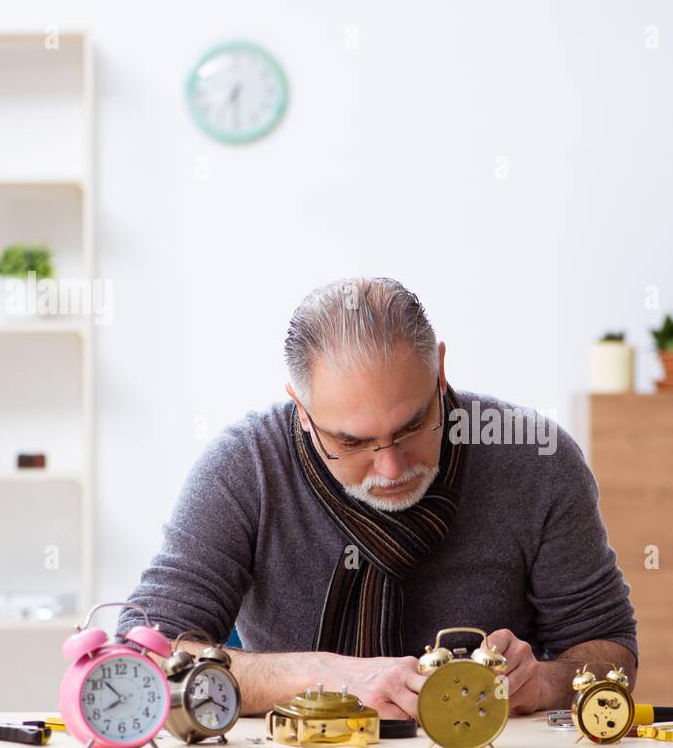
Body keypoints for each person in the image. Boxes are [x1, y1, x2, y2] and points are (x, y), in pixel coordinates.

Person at [119, 276, 637, 718]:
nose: (391, 469)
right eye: (352, 442)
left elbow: (610, 646)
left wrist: (547, 681)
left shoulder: (536, 460)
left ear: (439, 371)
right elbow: (145, 658)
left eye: (413, 427)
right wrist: (324, 673)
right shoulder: (245, 468)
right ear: (301, 409)